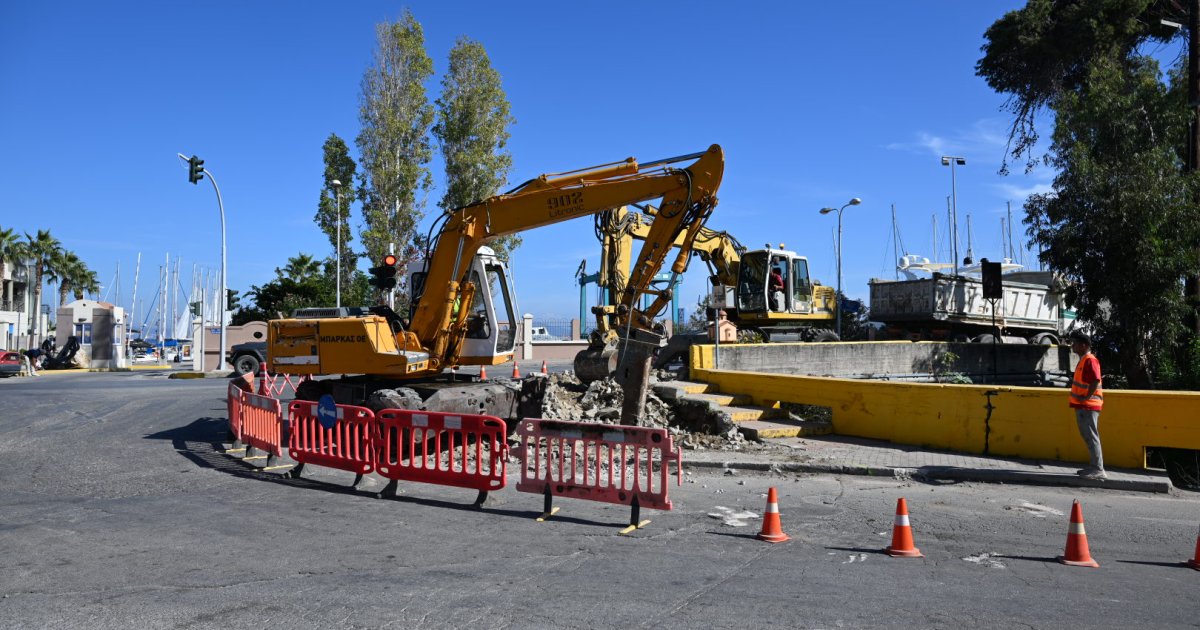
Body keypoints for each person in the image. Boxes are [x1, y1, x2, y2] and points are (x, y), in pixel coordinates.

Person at [1068, 330, 1105, 479]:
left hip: (1088, 405)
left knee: (1091, 436)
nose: (1072, 346)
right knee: (1088, 436)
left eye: (1075, 343)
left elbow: (1095, 380)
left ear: (1083, 345)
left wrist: (1086, 397)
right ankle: (1094, 467)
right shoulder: (1084, 360)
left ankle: (1098, 469)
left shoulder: (1090, 360)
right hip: (1084, 405)